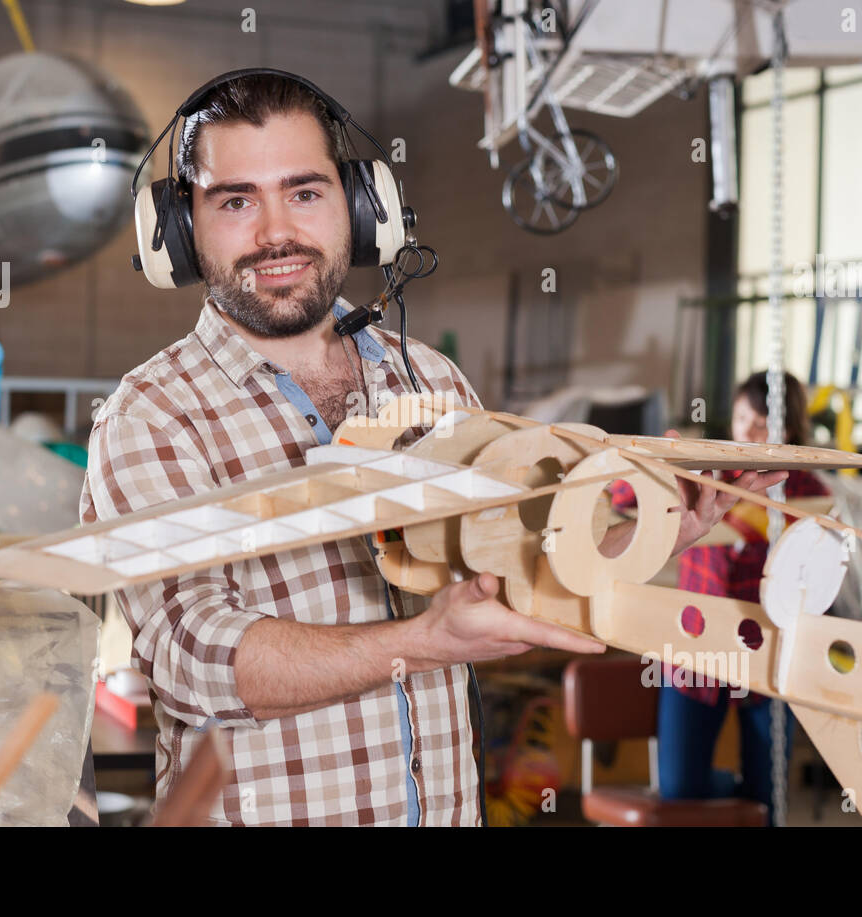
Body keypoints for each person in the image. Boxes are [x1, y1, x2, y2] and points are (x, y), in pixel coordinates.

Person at [79, 71, 781, 825]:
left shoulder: (431, 380)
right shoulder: (151, 415)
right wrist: (422, 640)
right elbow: (193, 659)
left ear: (360, 207)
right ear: (180, 228)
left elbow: (516, 569)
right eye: (236, 200)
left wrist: (648, 533)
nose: (275, 231)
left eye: (305, 192)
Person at [610, 371, 826, 822]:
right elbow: (621, 497)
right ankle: (730, 806)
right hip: (695, 647)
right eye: (743, 417)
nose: (748, 432)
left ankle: (742, 807)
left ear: (789, 428)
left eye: (763, 423)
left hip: (767, 653)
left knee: (768, 798)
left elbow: (819, 573)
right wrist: (659, 460)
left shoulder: (809, 493)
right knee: (680, 791)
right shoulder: (713, 469)